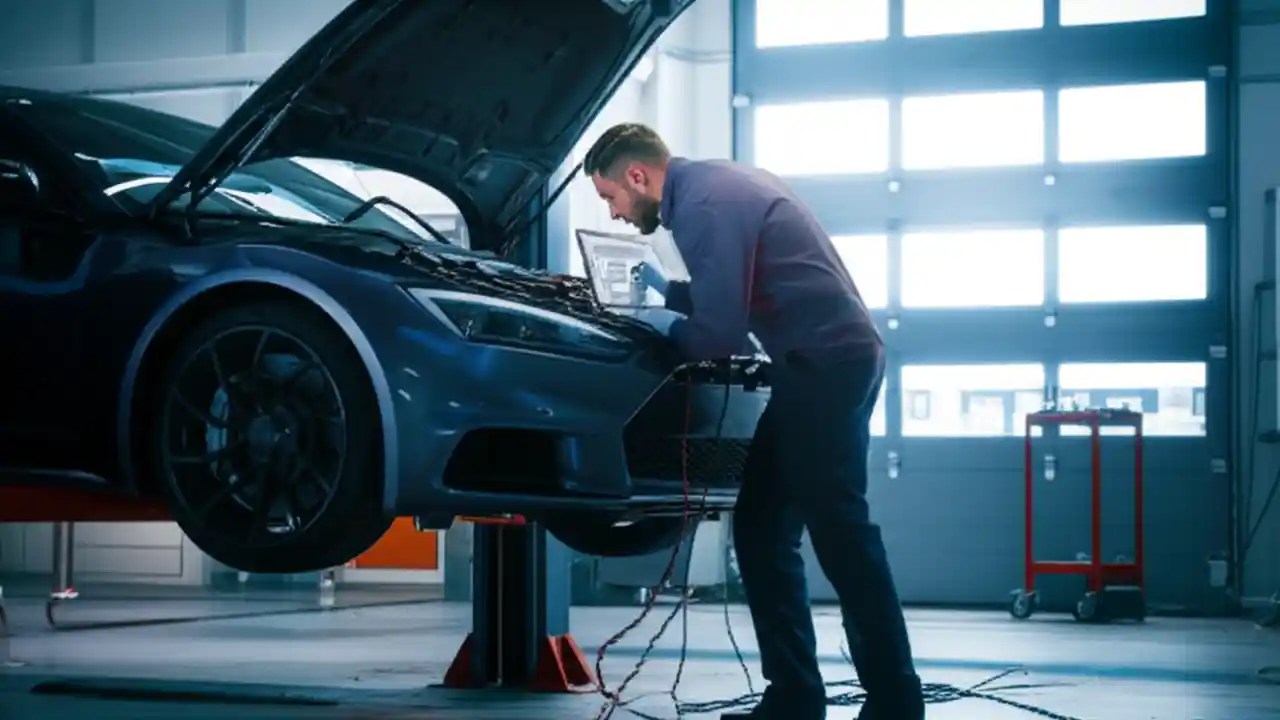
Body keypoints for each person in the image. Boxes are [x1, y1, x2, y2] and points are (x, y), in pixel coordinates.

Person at [582, 123, 925, 720]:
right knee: (765, 530)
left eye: (610, 197)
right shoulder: (718, 185)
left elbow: (719, 332)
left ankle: (894, 698)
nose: (613, 214)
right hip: (827, 362)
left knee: (840, 532)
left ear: (638, 177)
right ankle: (796, 696)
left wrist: (650, 337)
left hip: (823, 367)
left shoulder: (702, 207)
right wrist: (666, 294)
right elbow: (730, 296)